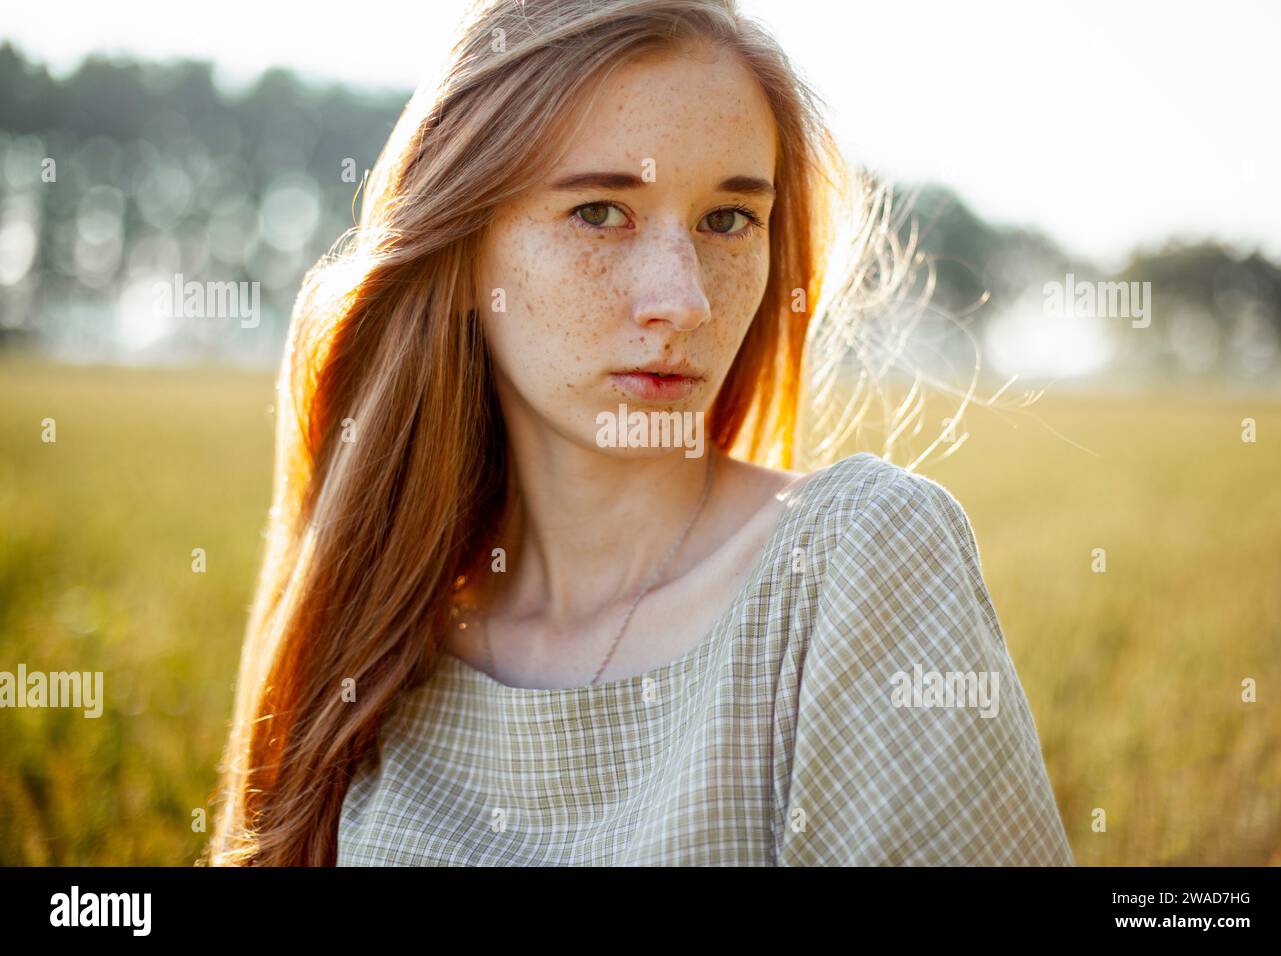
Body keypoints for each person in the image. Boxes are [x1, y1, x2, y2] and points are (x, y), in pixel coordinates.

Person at [205, 0, 1074, 866]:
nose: (684, 299)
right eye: (599, 212)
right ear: (460, 251)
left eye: (728, 220)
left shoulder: (856, 562)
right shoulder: (375, 638)